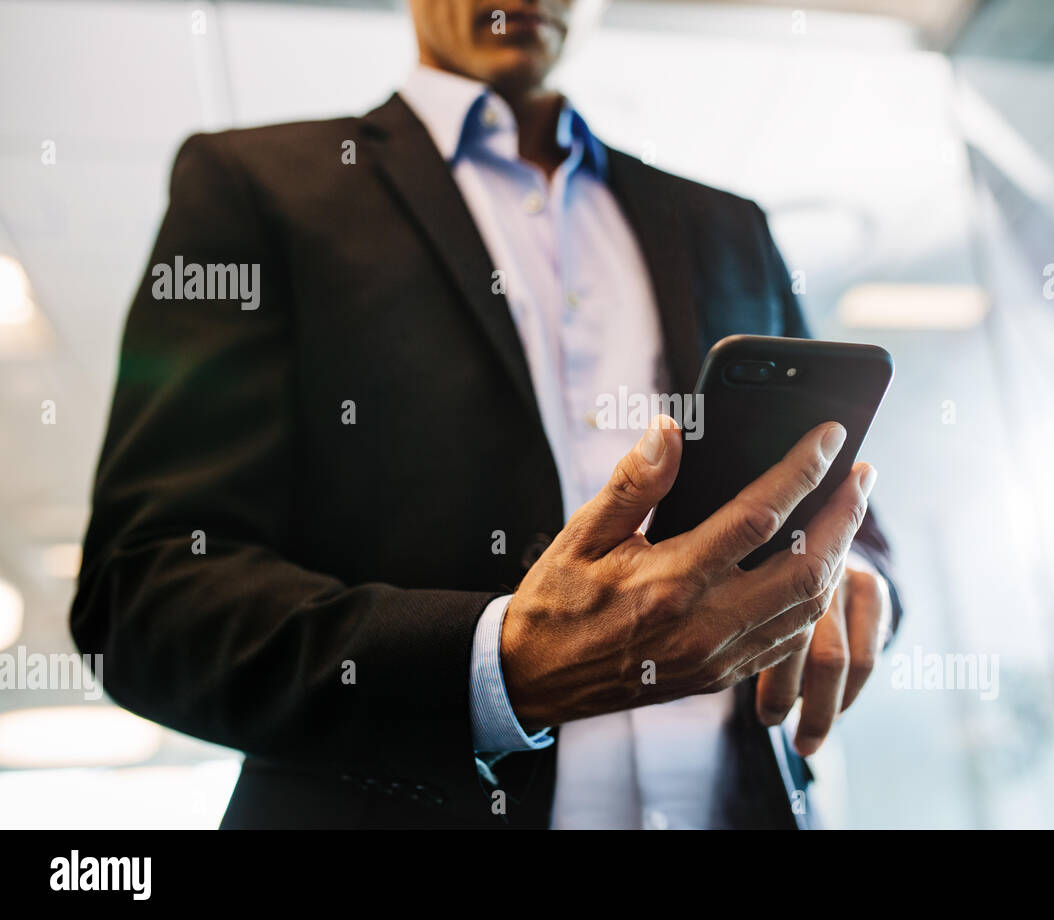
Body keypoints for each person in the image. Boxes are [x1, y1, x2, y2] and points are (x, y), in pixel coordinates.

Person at [71, 0, 901, 829]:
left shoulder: (728, 225)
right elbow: (144, 595)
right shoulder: (258, 188)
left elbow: (848, 515)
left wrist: (852, 582)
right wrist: (498, 667)